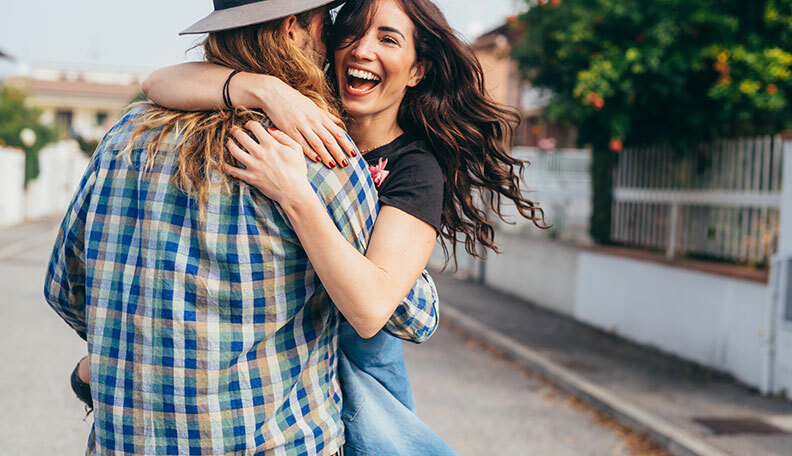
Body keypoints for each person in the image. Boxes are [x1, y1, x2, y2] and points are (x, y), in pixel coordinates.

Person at [142, 0, 546, 454]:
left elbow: (372, 309)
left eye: (388, 39)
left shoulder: (414, 169)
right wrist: (270, 92)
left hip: (360, 375)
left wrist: (296, 194)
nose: (361, 50)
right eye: (351, 33)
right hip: (290, 367)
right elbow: (158, 81)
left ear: (417, 71)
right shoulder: (307, 114)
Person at [45, 1, 439, 455]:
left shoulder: (125, 135)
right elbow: (409, 313)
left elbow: (66, 290)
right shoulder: (319, 157)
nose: (340, 42)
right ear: (294, 28)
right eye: (329, 23)